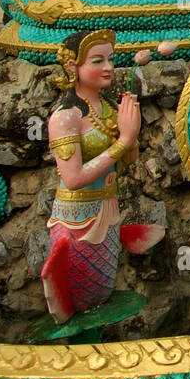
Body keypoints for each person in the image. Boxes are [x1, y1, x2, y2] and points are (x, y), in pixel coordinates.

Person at [42, 29, 165, 324]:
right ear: (73, 66)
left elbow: (130, 160)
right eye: (97, 61)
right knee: (79, 304)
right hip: (76, 220)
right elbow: (72, 178)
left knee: (101, 298)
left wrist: (131, 137)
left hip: (107, 213)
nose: (109, 67)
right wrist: (123, 140)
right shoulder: (65, 116)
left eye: (110, 59)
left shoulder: (108, 108)